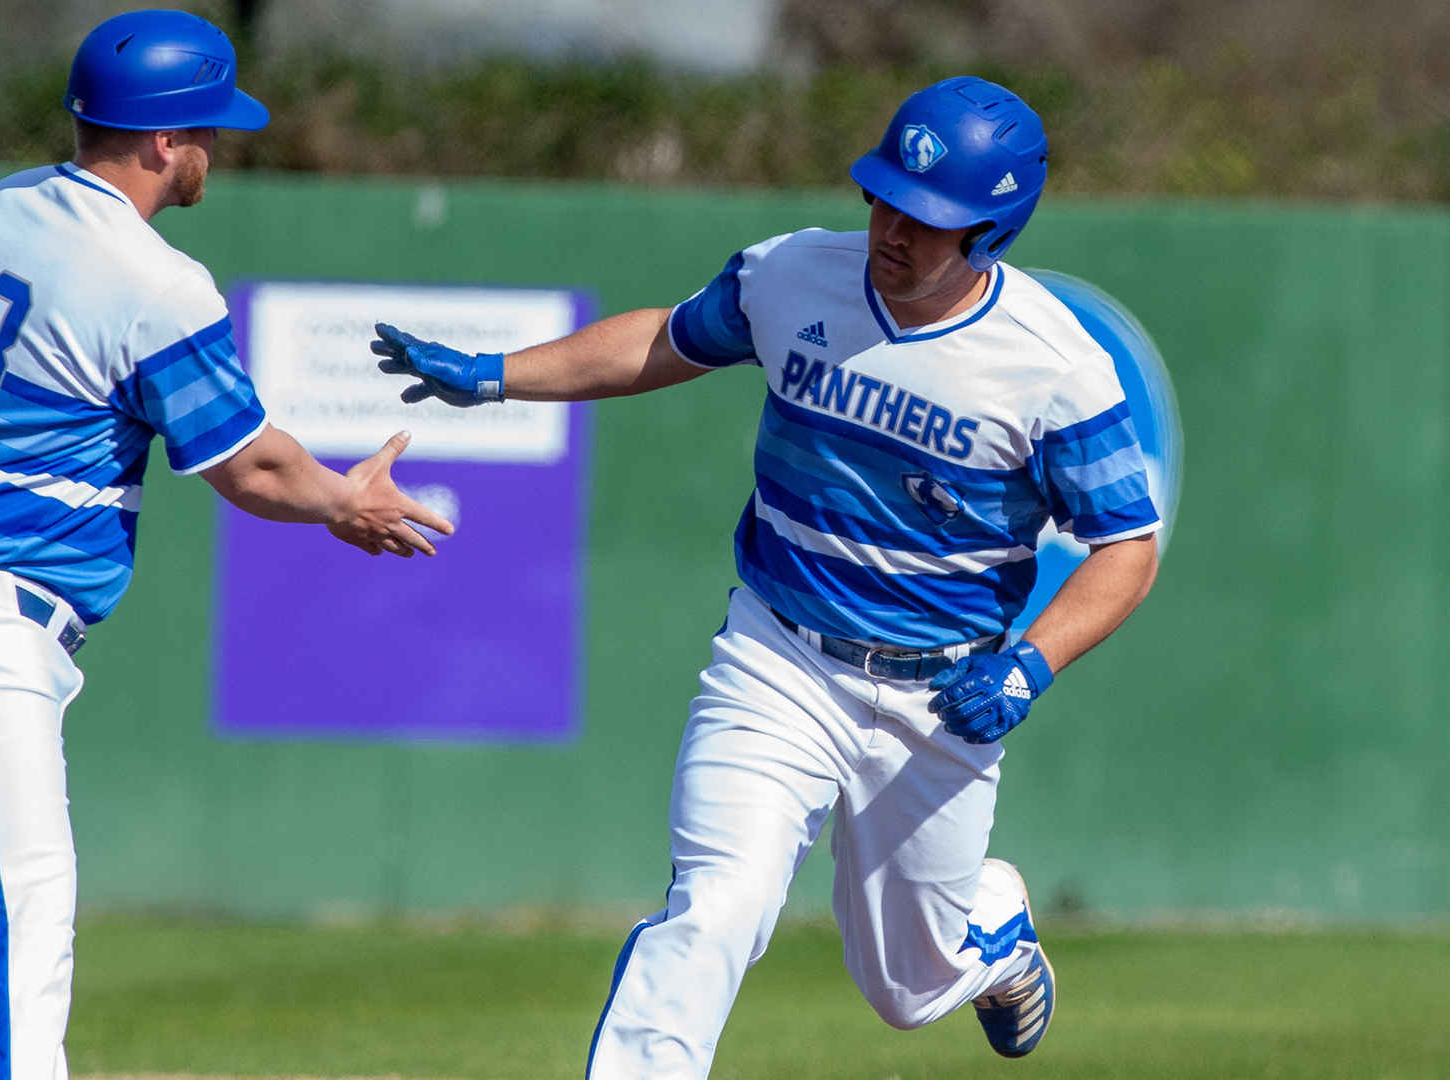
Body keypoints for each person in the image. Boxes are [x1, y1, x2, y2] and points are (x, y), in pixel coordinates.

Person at [375, 76, 1160, 1077]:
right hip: (780, 658)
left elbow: (1126, 547)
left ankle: (994, 932)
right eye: (884, 197)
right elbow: (665, 340)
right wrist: (494, 376)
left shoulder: (1056, 367)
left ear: (991, 231)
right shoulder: (793, 277)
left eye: (929, 218)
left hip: (941, 699)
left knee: (909, 990)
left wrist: (1031, 665)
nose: (894, 227)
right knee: (716, 906)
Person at [0, 11, 449, 1080]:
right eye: (210, 125)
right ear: (166, 141)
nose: (218, 147)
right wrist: (347, 500)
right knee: (14, 943)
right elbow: (249, 465)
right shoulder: (151, 277)